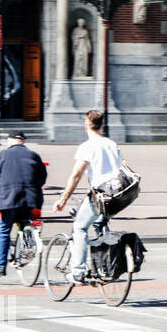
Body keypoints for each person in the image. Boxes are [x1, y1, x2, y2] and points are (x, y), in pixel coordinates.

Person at [54, 109, 122, 284]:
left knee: (80, 228)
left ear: (86, 125)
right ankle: (102, 267)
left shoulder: (87, 147)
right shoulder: (112, 144)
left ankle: (78, 271)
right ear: (102, 125)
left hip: (99, 195)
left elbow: (76, 175)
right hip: (118, 195)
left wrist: (63, 199)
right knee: (99, 224)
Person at [0, 132, 47, 278]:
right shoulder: (34, 155)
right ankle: (26, 245)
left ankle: (0, 267)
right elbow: (42, 176)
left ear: (9, 141)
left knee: (4, 229)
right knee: (23, 222)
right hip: (30, 199)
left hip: (9, 199)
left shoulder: (2, 155)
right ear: (22, 142)